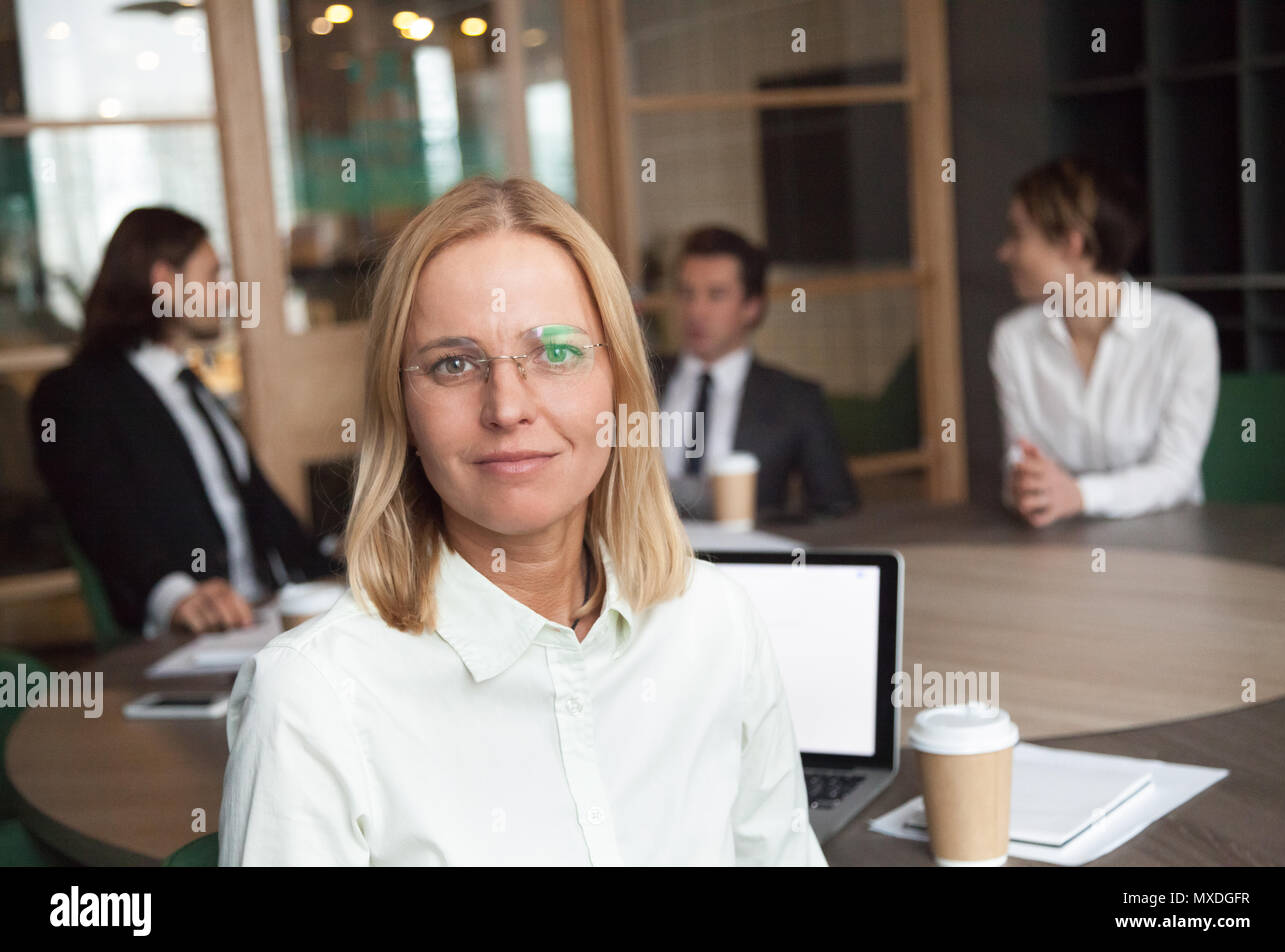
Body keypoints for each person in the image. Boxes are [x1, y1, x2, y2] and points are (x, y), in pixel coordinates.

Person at [219, 178, 825, 866]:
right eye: (454, 363)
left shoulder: (717, 624)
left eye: (557, 353)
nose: (507, 406)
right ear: (401, 408)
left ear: (620, 383)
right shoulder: (311, 699)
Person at [28, 207, 335, 636]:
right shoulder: (78, 393)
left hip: (264, 616)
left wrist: (342, 557)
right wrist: (175, 596)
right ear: (164, 282)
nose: (226, 294)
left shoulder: (192, 388)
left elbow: (269, 515)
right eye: (212, 277)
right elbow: (103, 516)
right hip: (186, 637)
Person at [989, 156, 1220, 527]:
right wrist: (1024, 483)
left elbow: (1175, 474)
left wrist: (1080, 495)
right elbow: (1020, 457)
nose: (1005, 252)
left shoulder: (1185, 331)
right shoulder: (1013, 339)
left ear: (1071, 245)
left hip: (1169, 544)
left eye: (1017, 234)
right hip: (1056, 544)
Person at [653, 226, 857, 520]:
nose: (697, 310)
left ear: (751, 306)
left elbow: (836, 508)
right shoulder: (637, 378)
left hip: (744, 560)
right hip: (642, 557)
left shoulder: (796, 399)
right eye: (687, 293)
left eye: (716, 295)